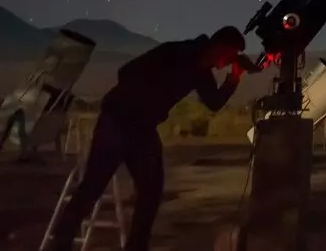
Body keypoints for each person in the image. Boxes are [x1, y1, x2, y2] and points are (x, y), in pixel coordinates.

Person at [48, 26, 249, 251]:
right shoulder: (177, 52)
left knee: (151, 191)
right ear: (219, 47)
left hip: (142, 128)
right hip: (118, 120)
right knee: (92, 187)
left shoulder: (201, 71)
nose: (231, 60)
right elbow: (126, 71)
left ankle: (136, 246)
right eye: (230, 55)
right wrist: (144, 96)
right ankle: (61, 245)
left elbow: (213, 102)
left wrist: (234, 77)